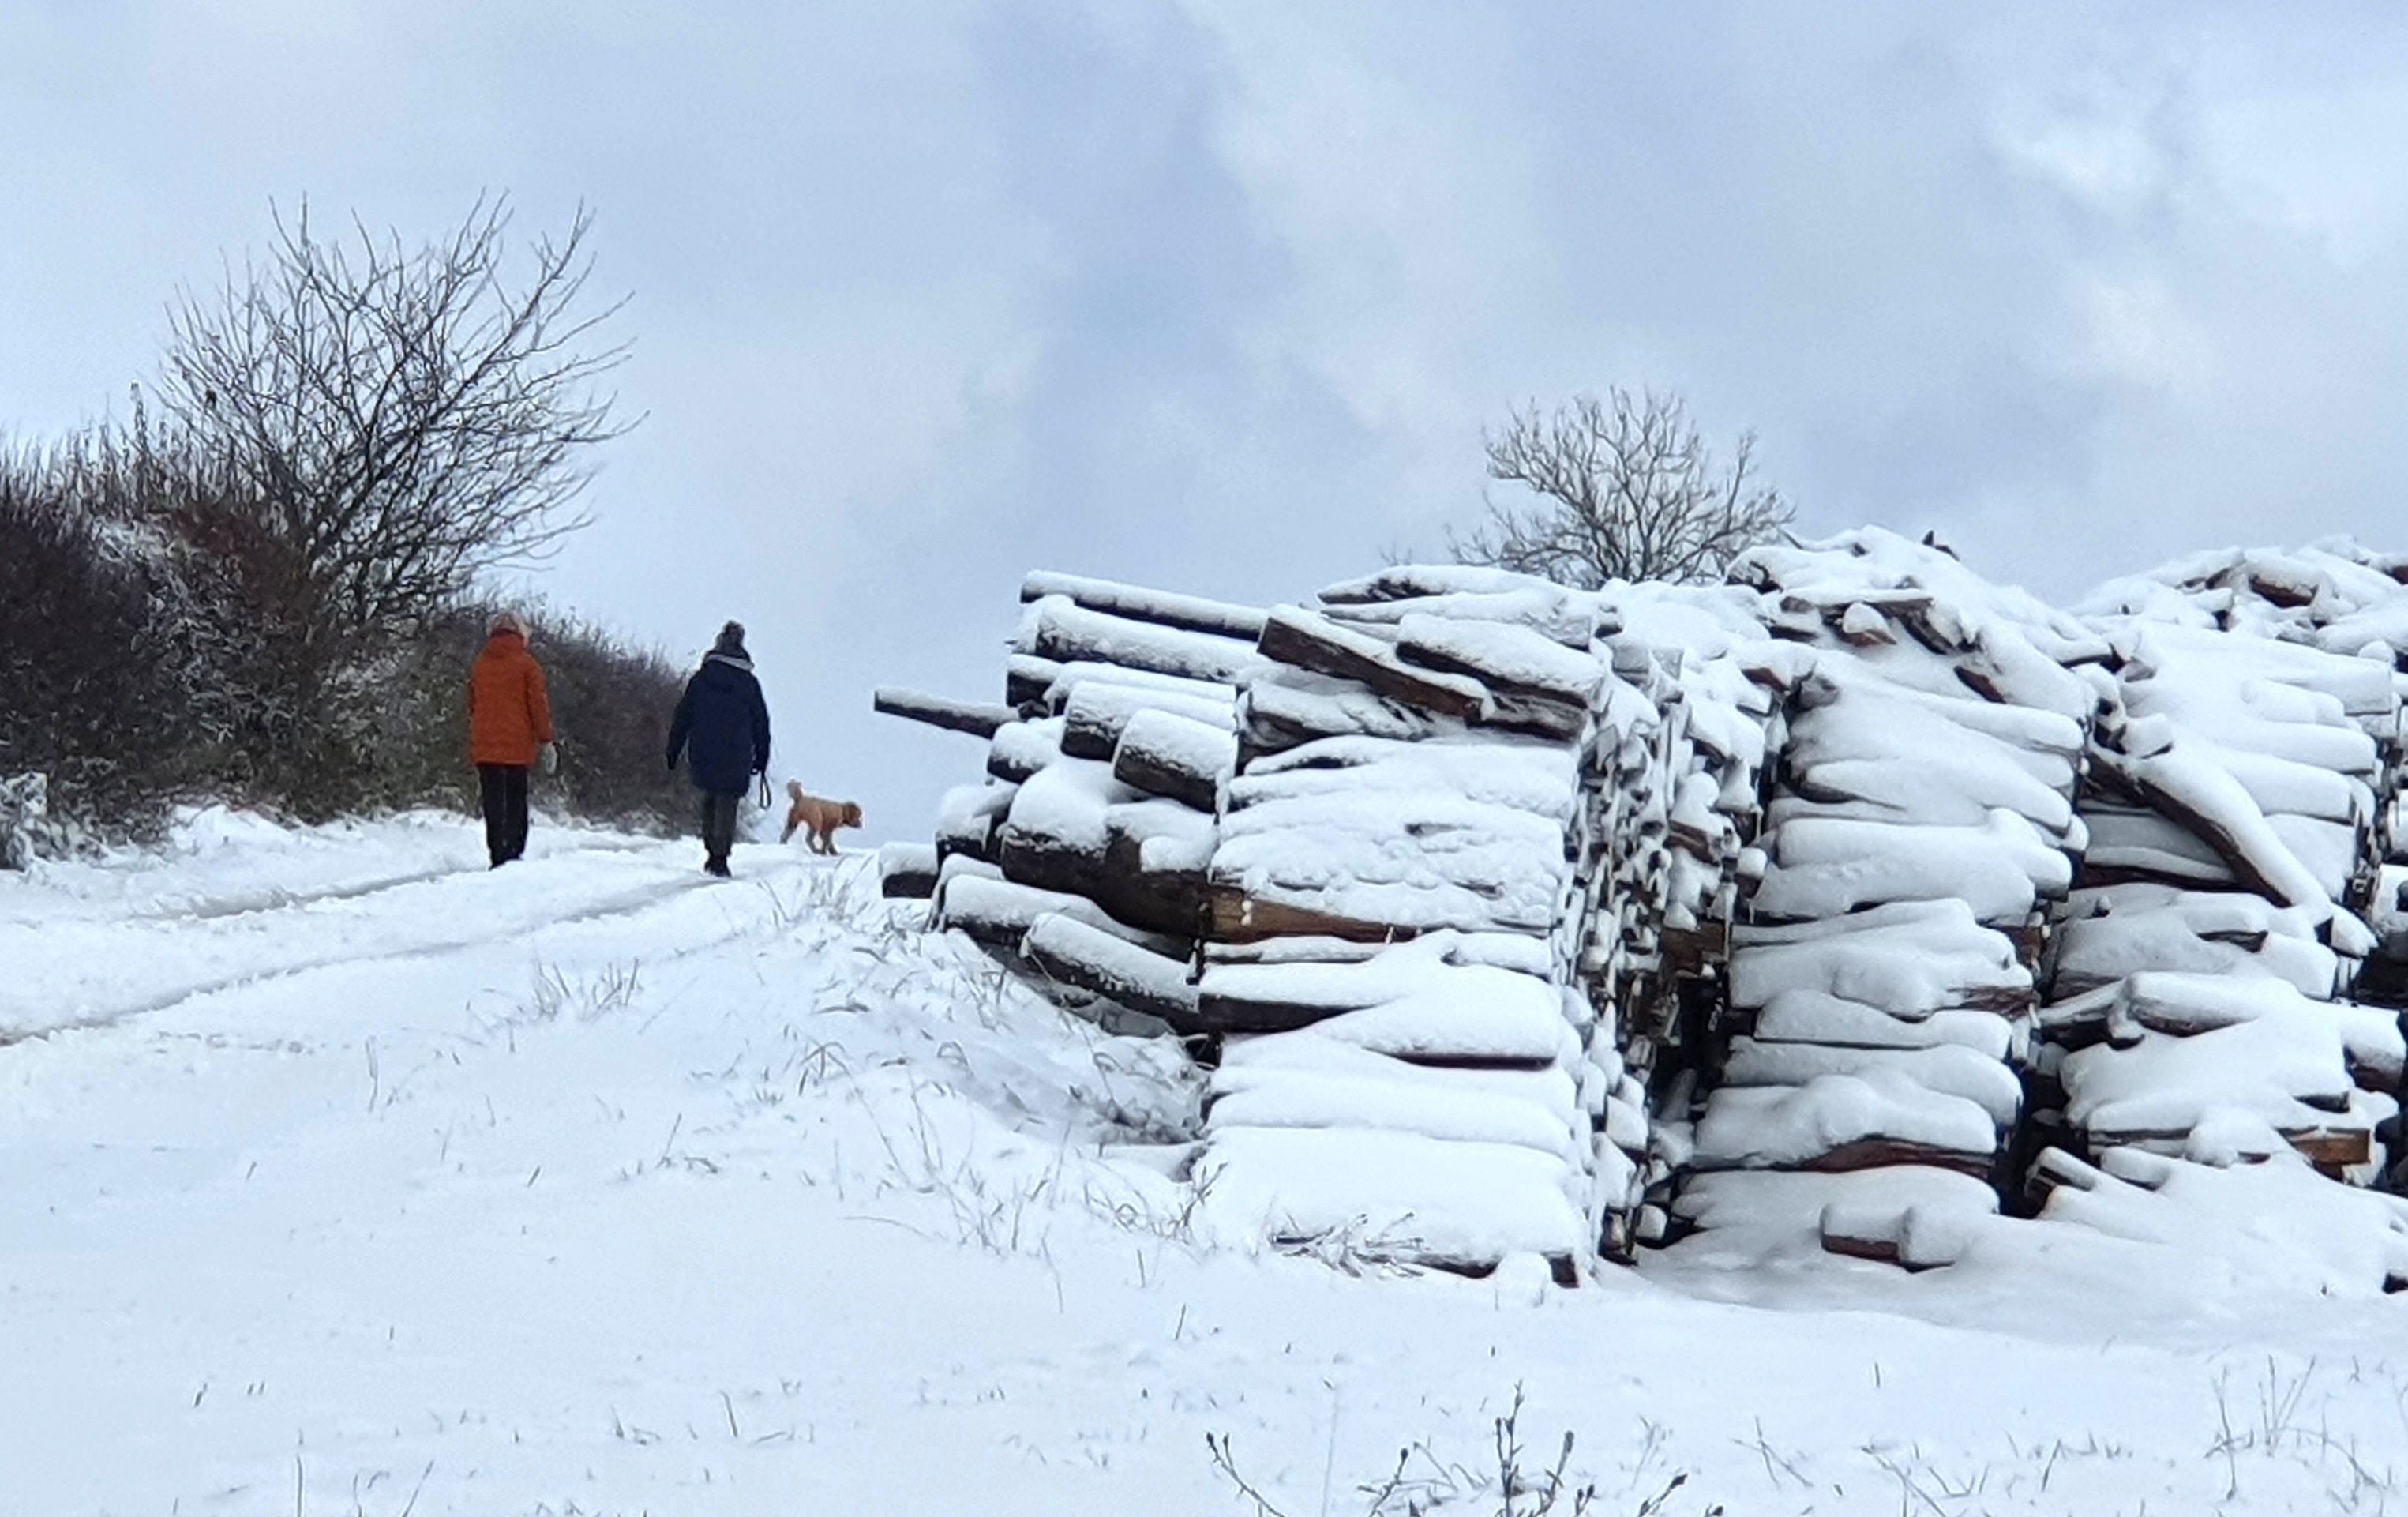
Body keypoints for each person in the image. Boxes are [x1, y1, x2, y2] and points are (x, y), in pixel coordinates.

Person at [666, 620, 771, 877]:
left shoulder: (702, 679)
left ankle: (711, 849)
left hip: (704, 747)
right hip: (737, 752)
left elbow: (683, 716)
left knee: (710, 795)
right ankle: (720, 856)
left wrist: (673, 749)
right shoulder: (749, 683)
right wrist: (762, 757)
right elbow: (761, 722)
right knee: (728, 800)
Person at [467, 610, 556, 868]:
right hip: (518, 745)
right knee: (516, 799)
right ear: (521, 633)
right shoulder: (528, 665)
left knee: (493, 801)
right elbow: (537, 705)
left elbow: (472, 704)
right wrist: (546, 739)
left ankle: (497, 853)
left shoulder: (480, 664)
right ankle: (514, 853)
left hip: (485, 744)